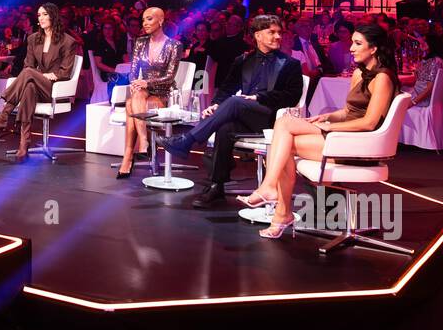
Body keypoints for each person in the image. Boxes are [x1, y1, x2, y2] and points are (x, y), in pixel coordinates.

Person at [240, 24, 398, 239]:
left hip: (358, 146)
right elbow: (349, 112)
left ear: (374, 49)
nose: (351, 48)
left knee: (282, 139)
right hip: (341, 137)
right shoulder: (360, 73)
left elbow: (369, 123)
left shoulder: (382, 78)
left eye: (358, 43)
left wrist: (330, 127)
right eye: (352, 42)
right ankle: (275, 202)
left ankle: (278, 206)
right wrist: (326, 117)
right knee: (284, 129)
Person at [155, 15, 304, 208]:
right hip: (246, 116)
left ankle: (188, 140)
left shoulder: (290, 64)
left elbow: (292, 97)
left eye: (279, 33)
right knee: (225, 127)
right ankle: (216, 187)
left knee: (235, 101)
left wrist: (260, 98)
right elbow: (226, 88)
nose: (277, 37)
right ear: (258, 36)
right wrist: (216, 104)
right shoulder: (243, 60)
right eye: (271, 32)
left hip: (273, 120)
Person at [0, 3, 79, 161]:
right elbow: (28, 66)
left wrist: (52, 75)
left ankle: (3, 116)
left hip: (53, 88)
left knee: (29, 74)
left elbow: (65, 72)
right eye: (39, 15)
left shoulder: (67, 41)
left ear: (53, 16)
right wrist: (38, 74)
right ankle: (24, 143)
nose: (41, 18)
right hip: (35, 84)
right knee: (29, 86)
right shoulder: (33, 39)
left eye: (45, 14)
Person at [117, 7, 180, 178]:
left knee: (130, 104)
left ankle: (127, 158)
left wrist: (146, 82)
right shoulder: (140, 42)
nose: (144, 23)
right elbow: (133, 70)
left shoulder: (174, 45)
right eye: (143, 19)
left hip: (162, 93)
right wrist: (135, 82)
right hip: (142, 91)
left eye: (149, 19)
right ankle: (144, 142)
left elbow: (169, 77)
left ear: (161, 21)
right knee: (136, 96)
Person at [207, 14, 248, 91]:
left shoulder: (241, 43)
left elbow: (218, 57)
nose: (228, 26)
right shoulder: (222, 39)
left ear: (239, 27)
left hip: (231, 79)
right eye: (228, 23)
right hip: (220, 78)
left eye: (231, 24)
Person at [408, 33, 443, 107]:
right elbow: (419, 80)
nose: (421, 42)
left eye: (425, 41)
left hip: (423, 99)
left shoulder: (435, 62)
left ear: (432, 44)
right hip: (418, 94)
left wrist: (413, 102)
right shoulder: (427, 60)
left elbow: (430, 88)